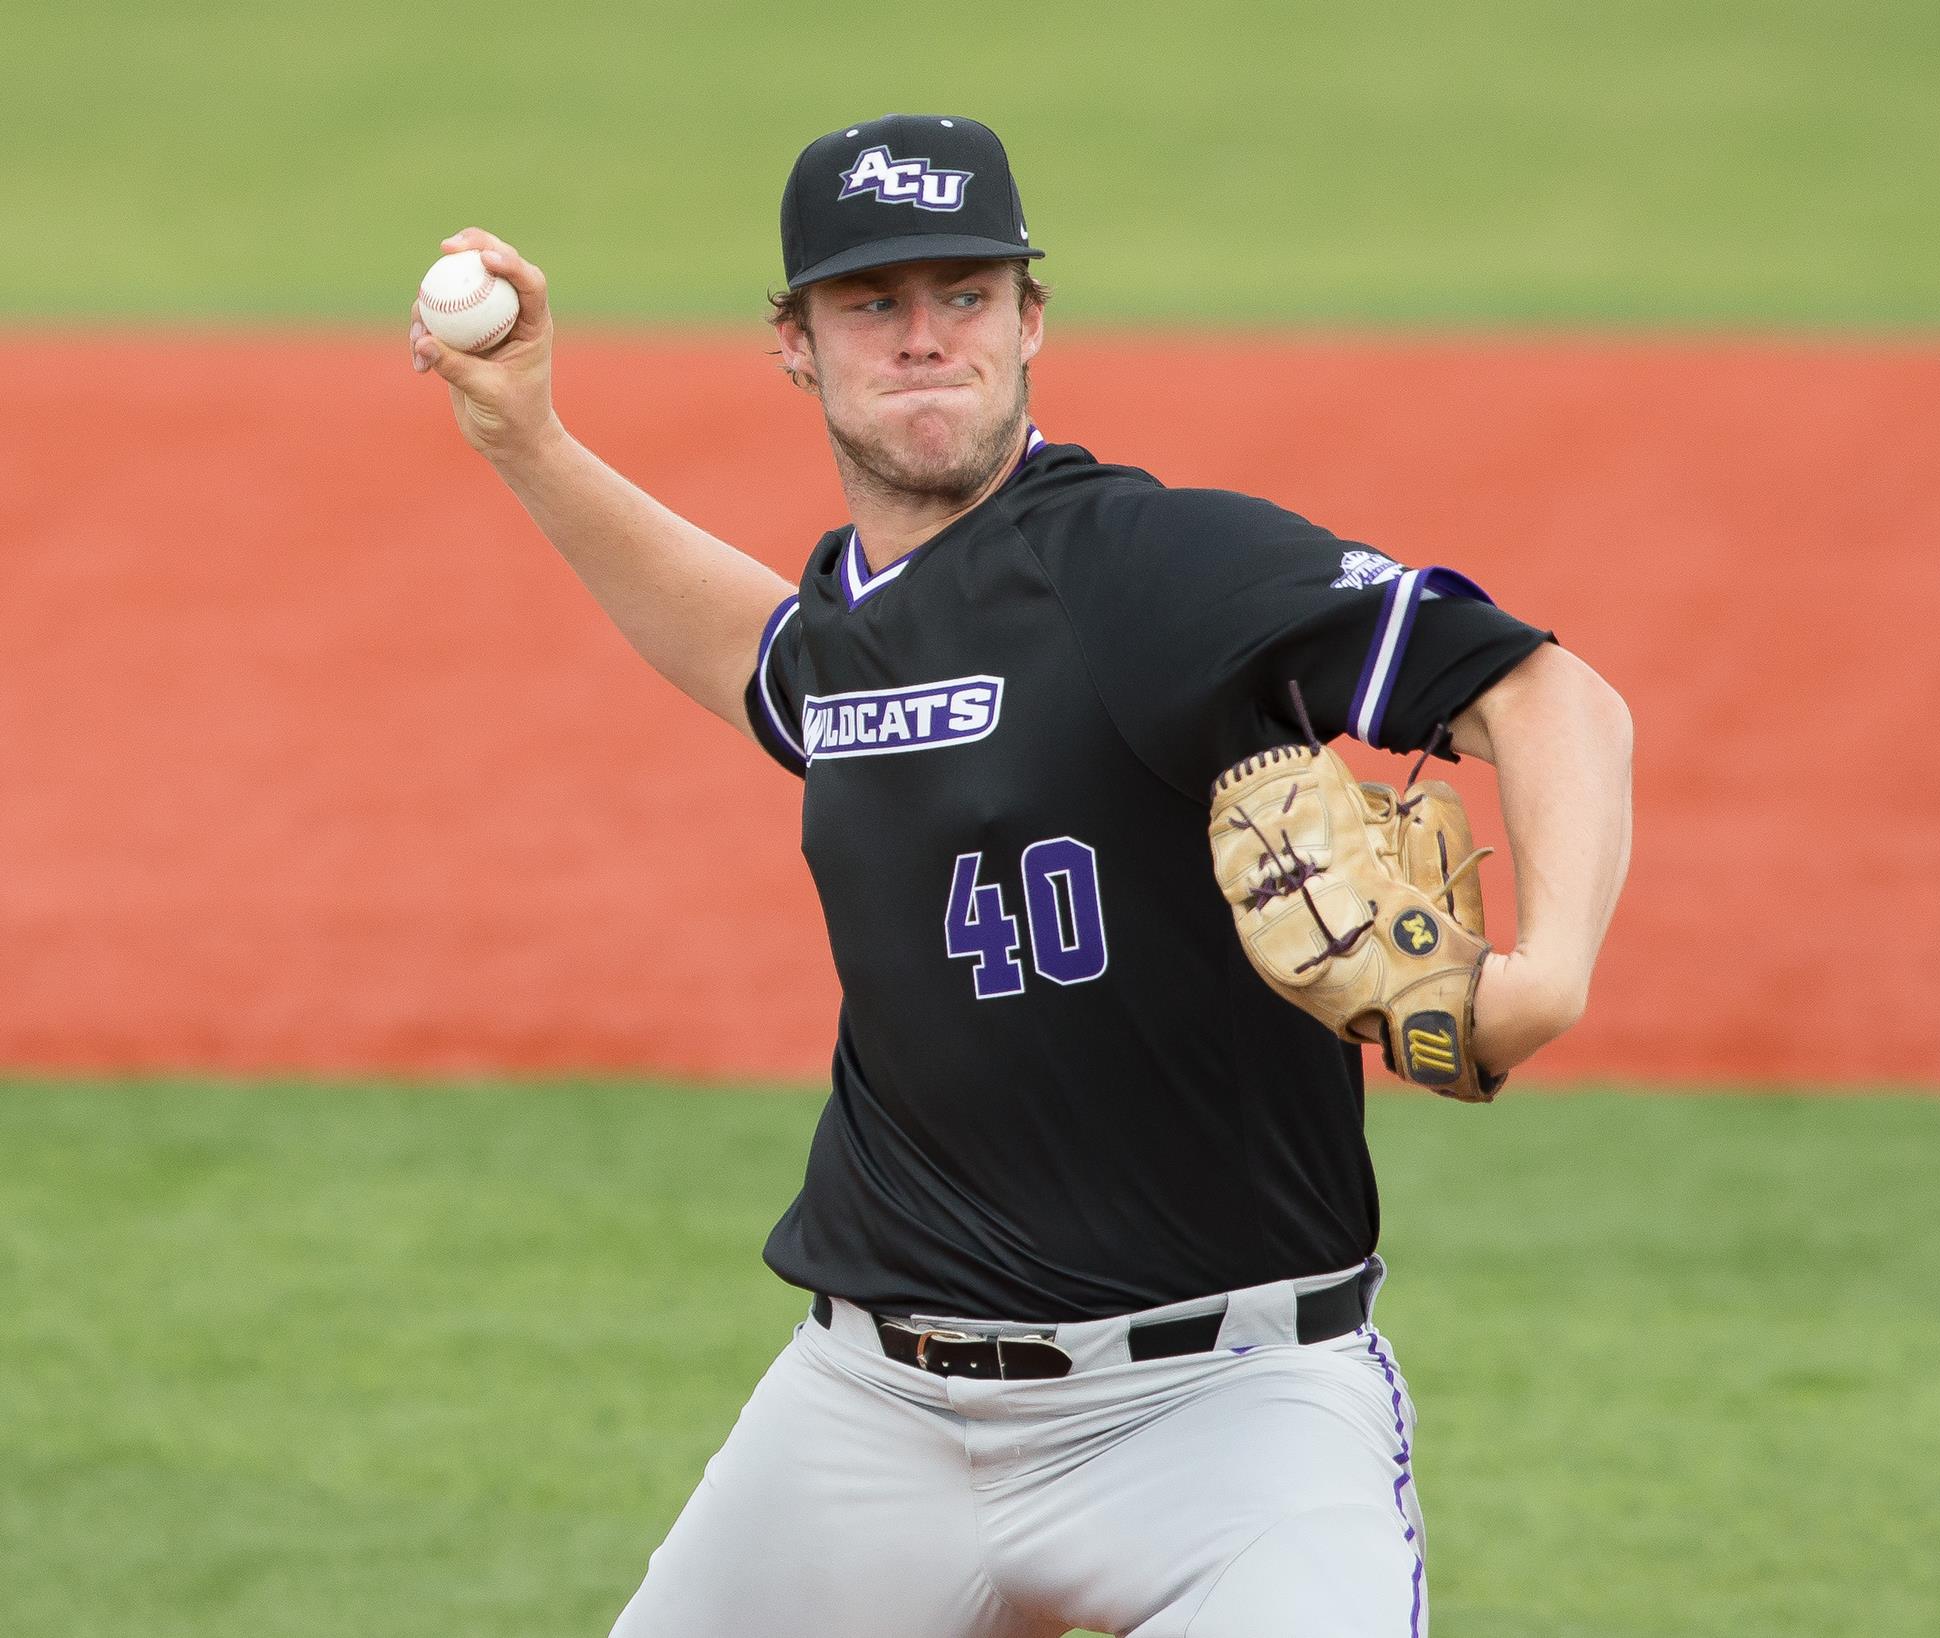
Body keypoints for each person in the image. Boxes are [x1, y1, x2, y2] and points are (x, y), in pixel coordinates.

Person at [412, 112, 1632, 1638]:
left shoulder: (1149, 564)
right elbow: (764, 662)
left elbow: (1553, 696)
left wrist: (1545, 977)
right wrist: (527, 439)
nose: (925, 337)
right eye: (874, 302)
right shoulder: (862, 618)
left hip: (1226, 1414)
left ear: (1030, 318)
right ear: (795, 342)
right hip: (873, 1410)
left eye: (965, 295)